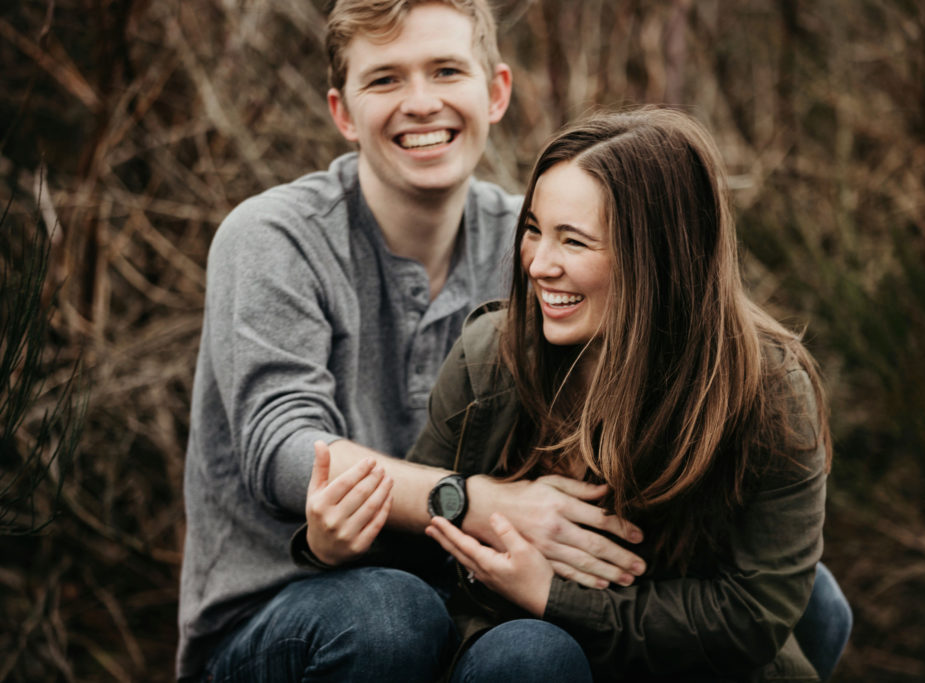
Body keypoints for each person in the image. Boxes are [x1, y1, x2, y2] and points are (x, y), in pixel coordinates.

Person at [177, 1, 649, 681]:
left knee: (543, 655)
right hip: (274, 616)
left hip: (470, 602)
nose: (421, 103)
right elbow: (283, 450)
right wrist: (477, 499)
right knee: (390, 615)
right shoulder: (272, 237)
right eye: (386, 80)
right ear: (343, 112)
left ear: (496, 92)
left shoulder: (536, 246)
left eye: (446, 70)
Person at [402, 107, 839, 681]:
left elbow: (749, 620)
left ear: (657, 259)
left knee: (825, 606)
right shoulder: (493, 355)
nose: (539, 264)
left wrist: (550, 593)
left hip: (687, 666)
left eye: (574, 241)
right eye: (534, 229)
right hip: (526, 657)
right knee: (530, 656)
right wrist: (465, 505)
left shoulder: (768, 391)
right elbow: (412, 543)